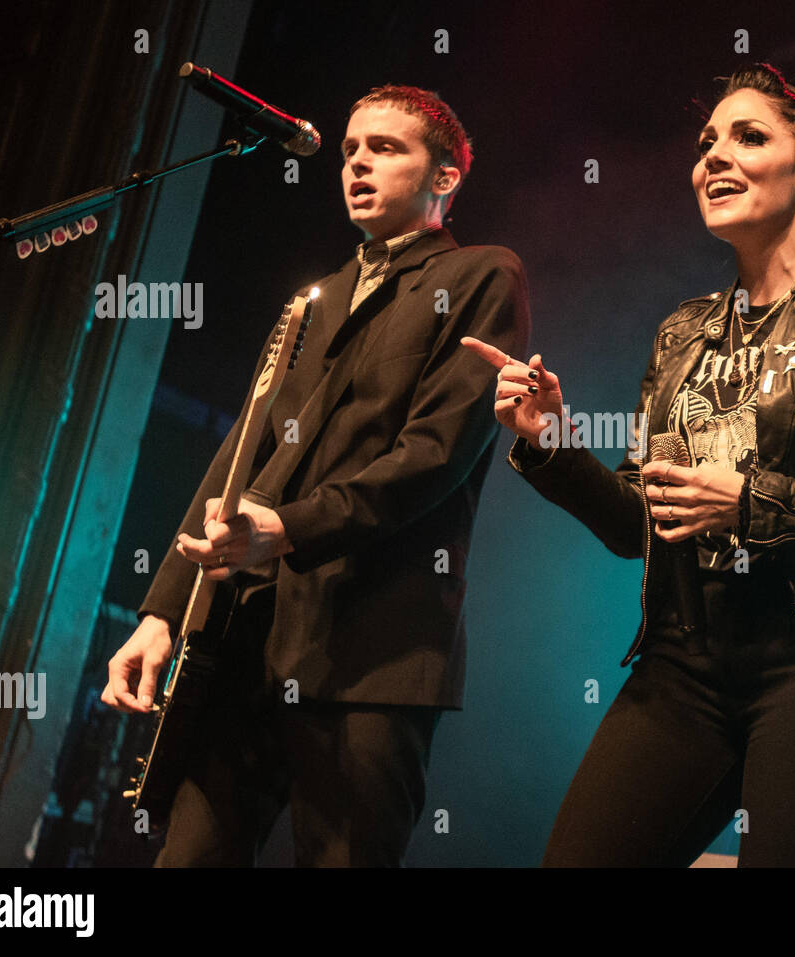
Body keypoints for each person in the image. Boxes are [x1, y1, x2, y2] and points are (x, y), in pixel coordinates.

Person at [463, 62, 795, 867]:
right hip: (687, 662)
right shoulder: (684, 332)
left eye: (747, 136)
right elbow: (642, 523)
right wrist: (551, 443)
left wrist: (752, 504)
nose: (715, 157)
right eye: (707, 143)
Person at [102, 85, 530, 866]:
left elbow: (435, 454)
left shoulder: (481, 275)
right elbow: (238, 457)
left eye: (386, 148)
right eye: (350, 150)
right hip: (245, 640)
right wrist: (165, 609)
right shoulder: (313, 300)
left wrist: (286, 529)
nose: (359, 161)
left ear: (444, 178)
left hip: (372, 653)